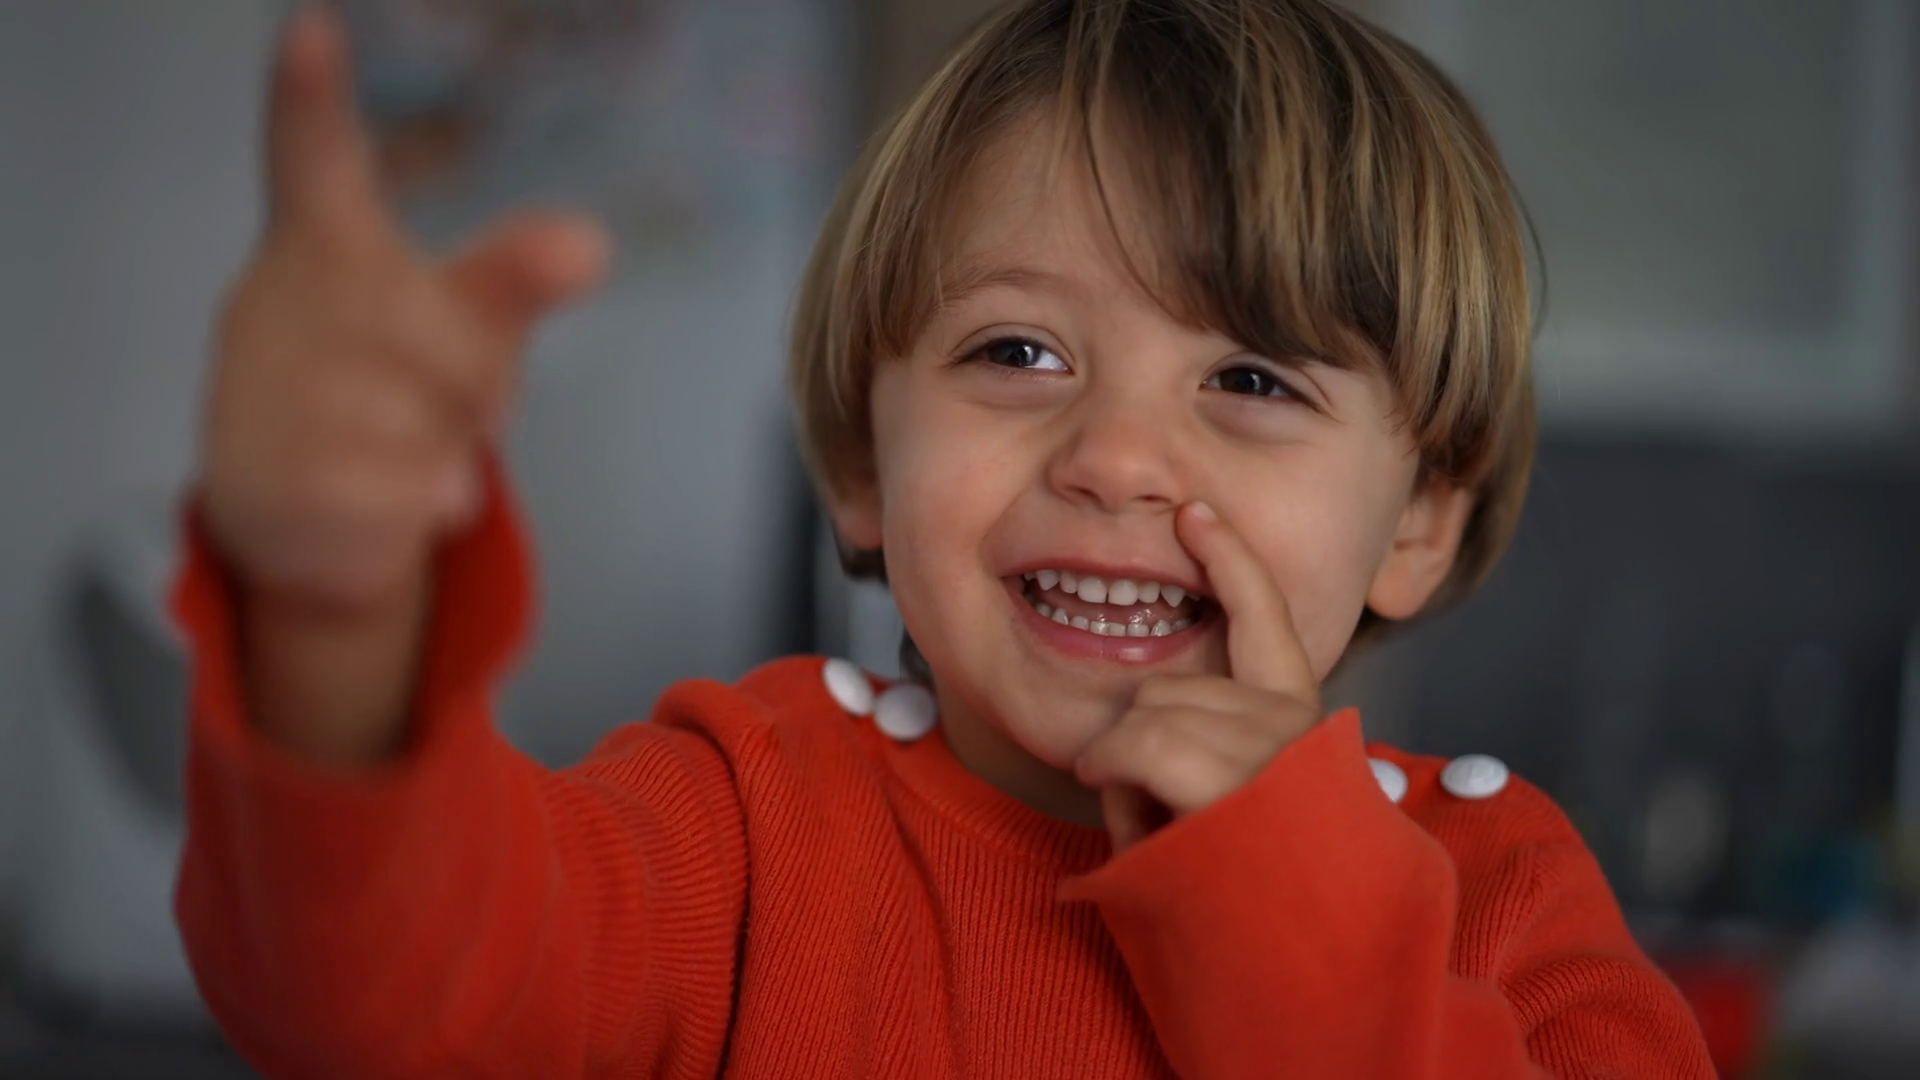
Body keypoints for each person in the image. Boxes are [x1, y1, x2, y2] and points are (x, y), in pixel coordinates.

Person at [172, 1, 1716, 1076]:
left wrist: (1285, 905)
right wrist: (335, 614)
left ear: (1420, 520)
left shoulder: (1504, 897)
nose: (1112, 456)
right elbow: (376, 1004)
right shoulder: (749, 829)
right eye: (1017, 353)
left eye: (1251, 379)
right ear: (861, 462)